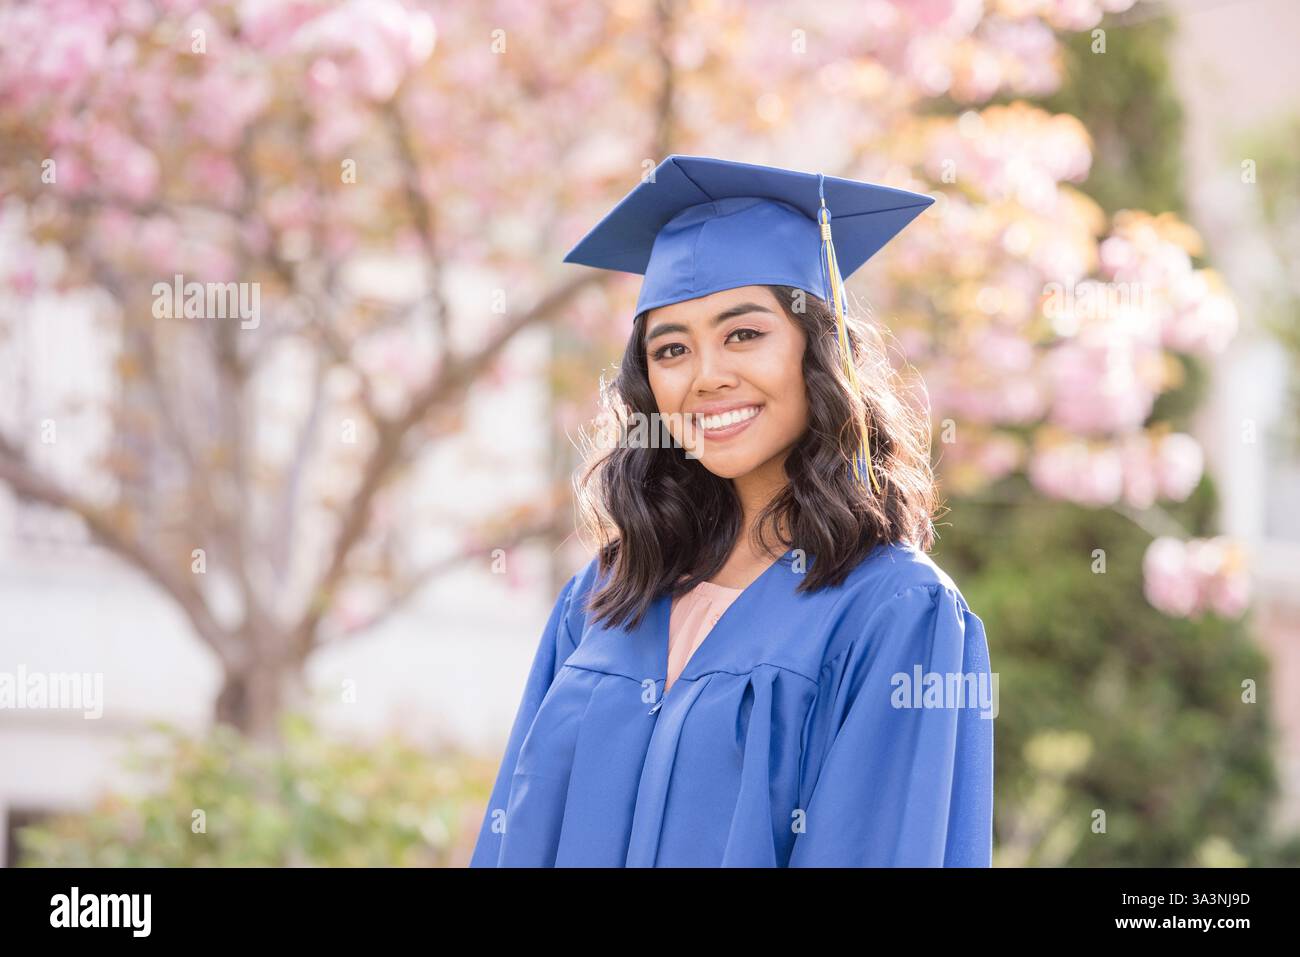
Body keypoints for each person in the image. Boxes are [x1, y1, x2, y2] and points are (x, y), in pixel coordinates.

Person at [470, 155, 994, 867]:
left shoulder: (896, 612)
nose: (707, 374)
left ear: (817, 349)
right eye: (672, 348)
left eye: (743, 333)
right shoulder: (602, 598)